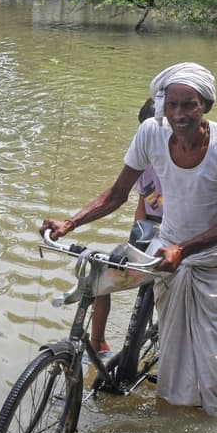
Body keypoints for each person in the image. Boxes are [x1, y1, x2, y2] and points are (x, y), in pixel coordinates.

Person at [41, 62, 217, 418]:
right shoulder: (150, 134)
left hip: (216, 259)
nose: (179, 114)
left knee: (214, 358)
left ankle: (213, 422)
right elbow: (118, 193)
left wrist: (184, 249)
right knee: (169, 344)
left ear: (206, 106)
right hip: (165, 251)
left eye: (189, 105)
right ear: (161, 106)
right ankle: (162, 402)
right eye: (171, 105)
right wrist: (70, 223)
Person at [89, 98, 162, 362]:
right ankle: (97, 342)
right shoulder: (141, 160)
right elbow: (142, 200)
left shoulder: (183, 160)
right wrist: (138, 239)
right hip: (150, 228)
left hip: (179, 235)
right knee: (102, 277)